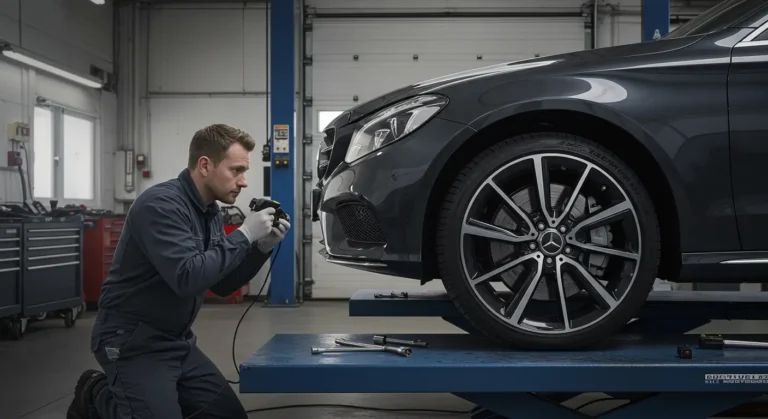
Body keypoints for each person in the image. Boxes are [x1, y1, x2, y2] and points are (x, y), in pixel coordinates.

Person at [66, 124, 290, 419]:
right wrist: (245, 234)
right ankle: (95, 395)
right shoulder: (161, 205)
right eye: (236, 170)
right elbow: (187, 278)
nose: (243, 182)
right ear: (205, 165)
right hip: (132, 341)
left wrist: (261, 248)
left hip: (176, 342)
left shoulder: (209, 211)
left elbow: (222, 284)